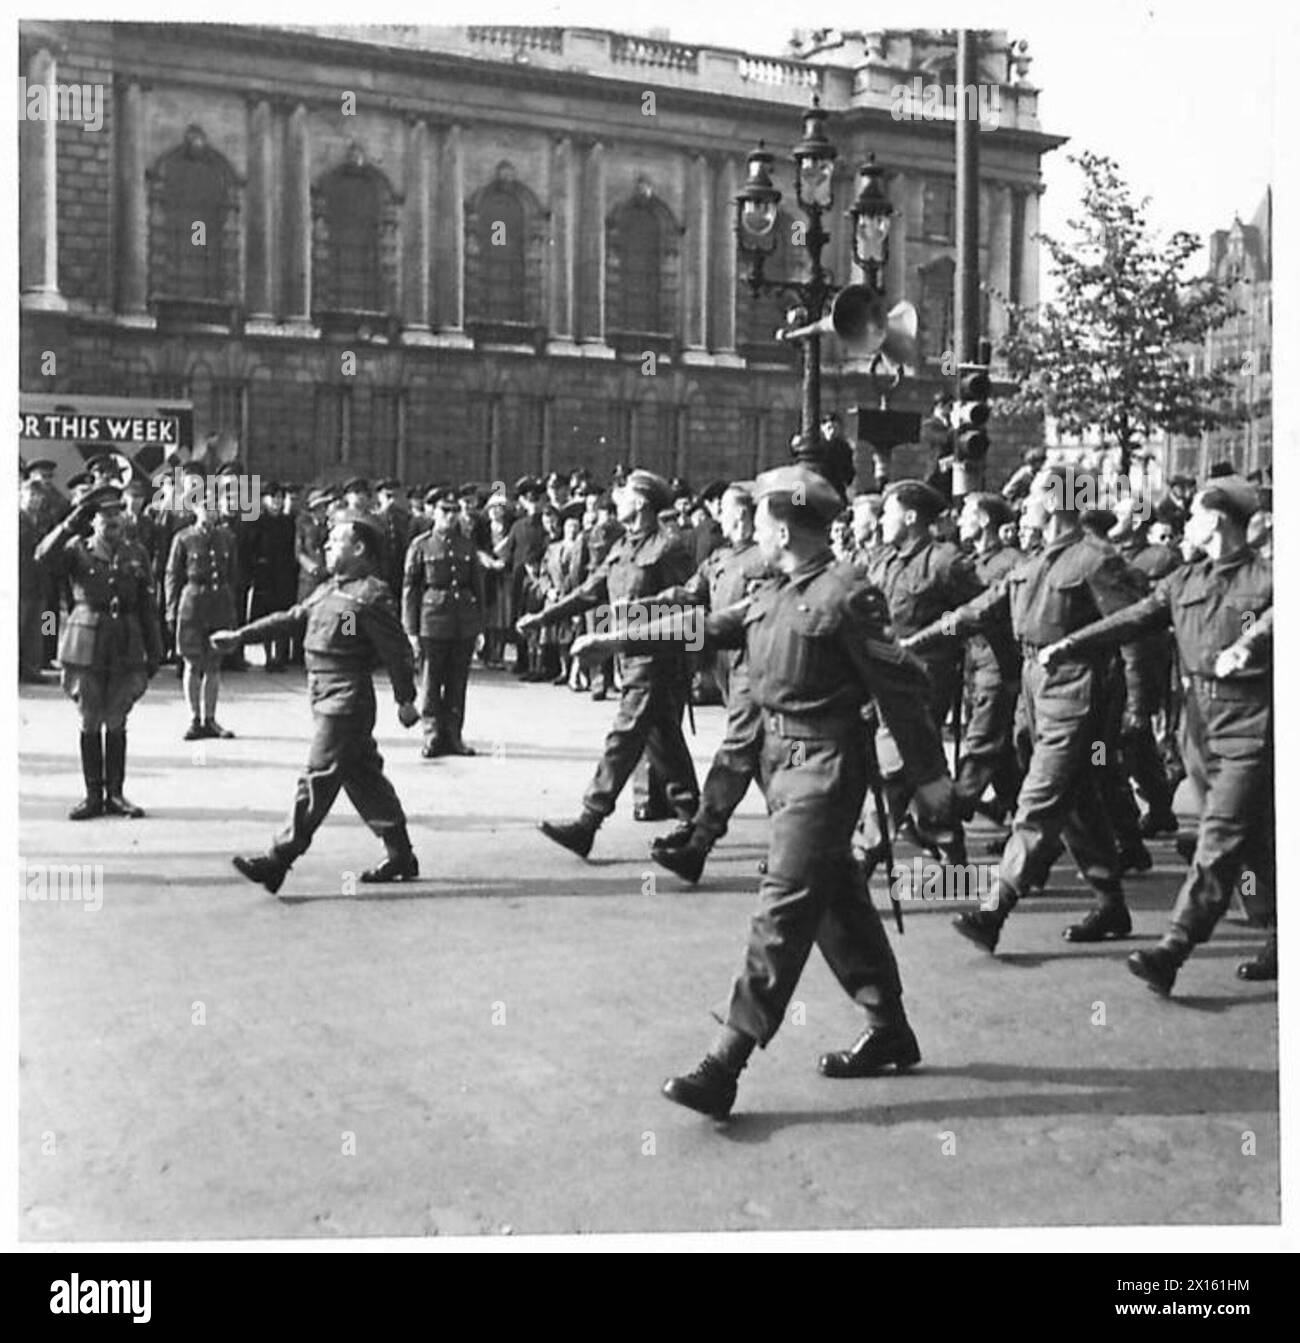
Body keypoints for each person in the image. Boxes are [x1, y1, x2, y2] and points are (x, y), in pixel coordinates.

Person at [572, 465, 957, 1119]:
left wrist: (929, 779)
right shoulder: (773, 591)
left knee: (781, 910)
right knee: (837, 905)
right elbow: (703, 625)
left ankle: (725, 1062)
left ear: (782, 525)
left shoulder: (846, 593)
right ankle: (888, 1026)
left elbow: (902, 688)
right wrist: (614, 638)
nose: (748, 527)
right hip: (783, 766)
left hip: (826, 768)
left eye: (757, 518)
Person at [1040, 478, 1274, 991]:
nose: (1187, 522)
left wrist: (1250, 645)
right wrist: (1071, 645)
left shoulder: (1269, 579)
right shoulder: (1186, 580)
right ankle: (1278, 931)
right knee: (1254, 838)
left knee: (1220, 835)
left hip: (1251, 722)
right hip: (1198, 724)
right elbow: (1133, 619)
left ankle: (1175, 946)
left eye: (1194, 514)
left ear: (1216, 521)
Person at [901, 467, 1148, 952]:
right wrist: (915, 642)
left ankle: (994, 909)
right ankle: (1110, 903)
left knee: (1041, 797)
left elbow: (1135, 629)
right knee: (1076, 799)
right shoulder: (1035, 561)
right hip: (1036, 687)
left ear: (1057, 503)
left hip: (1078, 690)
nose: (1024, 503)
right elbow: (976, 612)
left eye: (1034, 495)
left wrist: (1137, 708)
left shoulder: (1095, 560)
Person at [212, 513, 421, 893]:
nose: (325, 545)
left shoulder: (369, 595)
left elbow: (395, 651)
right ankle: (400, 854)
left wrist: (405, 700)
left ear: (358, 549)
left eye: (335, 540)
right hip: (324, 692)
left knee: (319, 775)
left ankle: (279, 859)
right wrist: (241, 637)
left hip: (346, 698)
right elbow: (293, 618)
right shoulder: (331, 590)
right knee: (363, 777)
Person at [518, 469, 700, 859]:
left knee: (624, 738)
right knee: (663, 741)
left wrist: (644, 622)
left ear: (641, 503)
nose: (616, 499)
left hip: (657, 660)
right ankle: (695, 820)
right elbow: (590, 592)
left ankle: (588, 822)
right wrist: (543, 618)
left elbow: (690, 606)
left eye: (624, 494)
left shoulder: (669, 548)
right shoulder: (623, 547)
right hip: (629, 658)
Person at [645, 481, 772, 884]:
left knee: (736, 754)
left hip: (757, 668)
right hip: (728, 669)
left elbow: (736, 616)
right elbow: (689, 593)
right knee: (764, 761)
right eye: (728, 514)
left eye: (737, 513)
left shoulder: (766, 558)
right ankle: (800, 843)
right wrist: (634, 611)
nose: (732, 521)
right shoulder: (719, 557)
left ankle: (699, 843)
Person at [862, 480, 982, 861]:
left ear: (910, 517)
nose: (882, 520)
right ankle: (944, 834)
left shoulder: (946, 562)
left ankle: (862, 854)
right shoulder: (882, 560)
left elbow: (978, 612)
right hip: (880, 676)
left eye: (888, 512)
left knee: (893, 768)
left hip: (923, 679)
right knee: (923, 761)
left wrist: (936, 638)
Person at [34, 487, 163, 819]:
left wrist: (155, 648)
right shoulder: (77, 549)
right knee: (91, 717)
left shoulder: (136, 552)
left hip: (126, 640)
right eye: (104, 515)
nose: (112, 520)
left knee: (118, 717)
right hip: (85, 643)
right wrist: (67, 526)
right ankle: (93, 795)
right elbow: (42, 558)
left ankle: (116, 794)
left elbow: (148, 604)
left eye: (117, 513)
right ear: (91, 520)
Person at [403, 487, 485, 758]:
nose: (450, 516)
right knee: (431, 678)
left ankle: (454, 735)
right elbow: (410, 589)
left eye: (454, 511)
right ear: (432, 512)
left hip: (462, 621)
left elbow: (477, 587)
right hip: (432, 620)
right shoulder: (421, 545)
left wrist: (480, 626)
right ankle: (432, 735)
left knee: (458, 681)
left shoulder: (466, 545)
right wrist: (411, 630)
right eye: (444, 511)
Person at [166, 489, 239, 740]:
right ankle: (194, 718)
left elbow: (233, 575)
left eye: (214, 506)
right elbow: (173, 576)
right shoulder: (184, 538)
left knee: (214, 663)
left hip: (219, 603)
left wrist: (233, 609)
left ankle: (210, 718)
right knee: (192, 661)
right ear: (195, 509)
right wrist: (171, 609)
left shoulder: (227, 537)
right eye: (204, 506)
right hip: (192, 603)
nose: (209, 511)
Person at [247, 481, 297, 672]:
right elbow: (250, 548)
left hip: (284, 574)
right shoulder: (258, 521)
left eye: (279, 497)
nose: (276, 501)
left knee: (283, 615)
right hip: (265, 575)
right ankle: (268, 656)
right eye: (273, 497)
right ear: (264, 500)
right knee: (267, 616)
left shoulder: (288, 522)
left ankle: (280, 656)